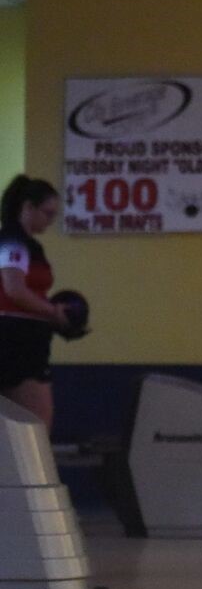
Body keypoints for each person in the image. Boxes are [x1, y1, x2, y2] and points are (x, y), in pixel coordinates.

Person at [0, 176, 69, 430]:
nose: (50, 221)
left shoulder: (31, 246)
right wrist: (53, 312)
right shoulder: (12, 240)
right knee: (36, 431)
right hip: (15, 345)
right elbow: (14, 289)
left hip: (28, 341)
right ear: (28, 207)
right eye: (47, 213)